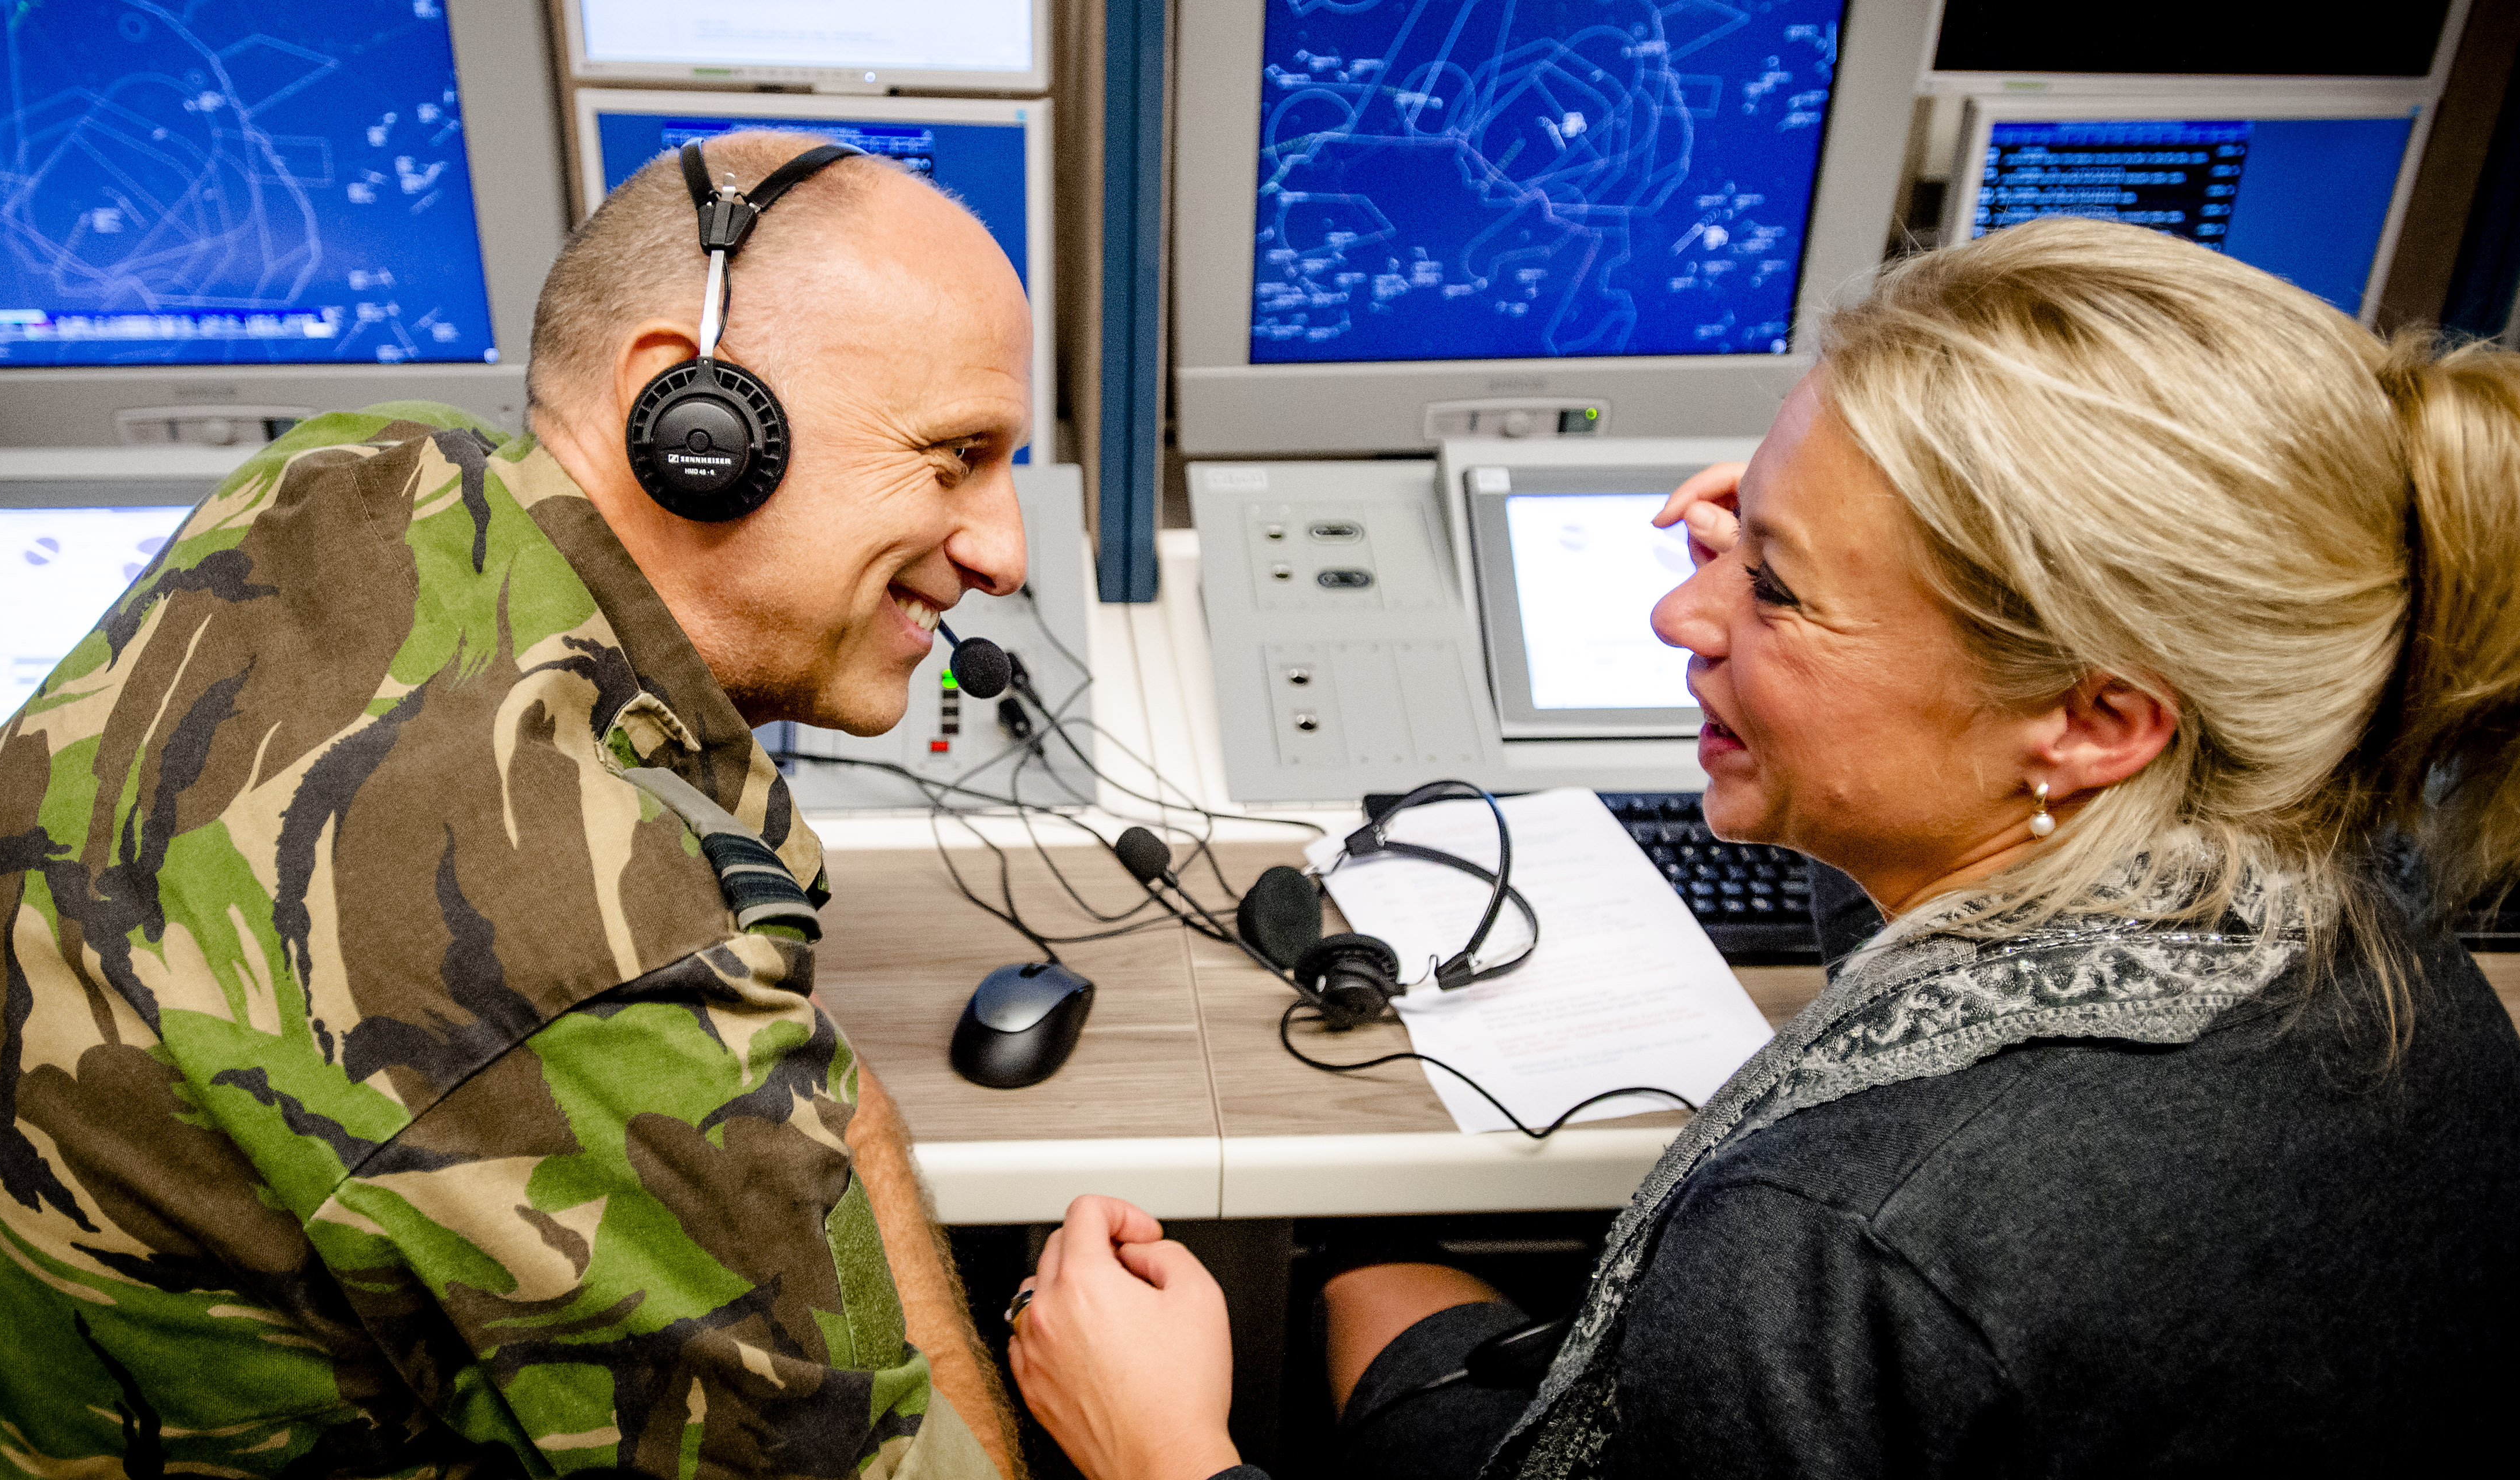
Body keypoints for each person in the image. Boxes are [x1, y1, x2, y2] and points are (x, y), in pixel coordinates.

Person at [1004, 217, 2520, 1478]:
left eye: (1775, 585)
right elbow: (1967, 845)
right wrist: (1822, 557)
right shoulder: (2380, 939)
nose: (1684, 607)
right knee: (1385, 1269)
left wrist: (1169, 1456)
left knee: (1356, 1273)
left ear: (2093, 719)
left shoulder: (1833, 1247)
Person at [0, 133, 1037, 1479]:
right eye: (954, 457)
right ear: (693, 420)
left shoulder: (354, 475)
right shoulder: (579, 948)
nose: (1006, 549)